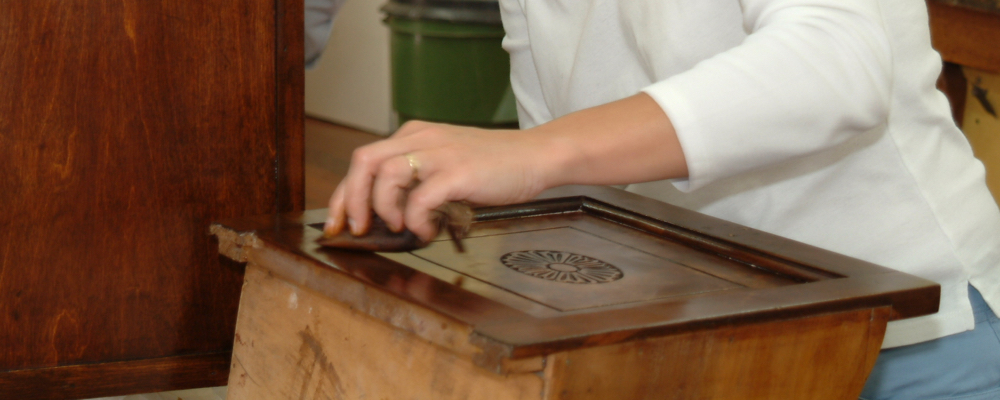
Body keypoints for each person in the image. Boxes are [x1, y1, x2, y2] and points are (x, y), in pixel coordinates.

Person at [323, 0, 1000, 398]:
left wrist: (537, 156)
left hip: (911, 331)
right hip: (703, 331)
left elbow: (837, 63)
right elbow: (565, 113)